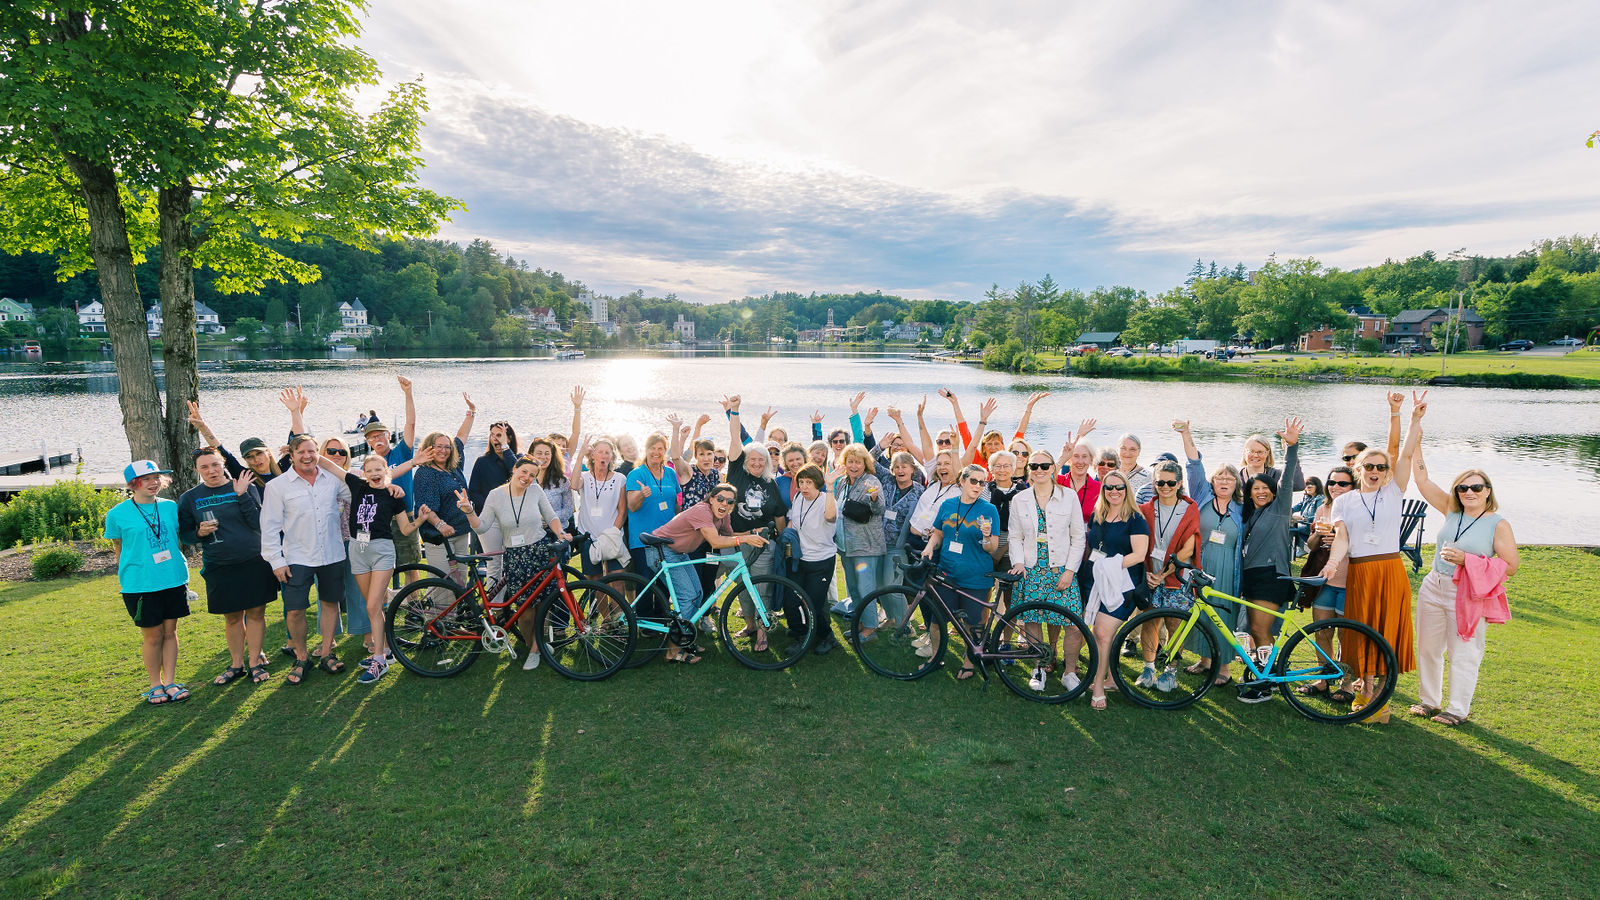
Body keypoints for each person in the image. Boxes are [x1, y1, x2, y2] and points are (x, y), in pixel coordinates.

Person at [1407, 409, 1518, 726]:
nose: (1469, 492)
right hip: (1433, 585)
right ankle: (1429, 701)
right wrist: (1416, 436)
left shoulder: (1498, 524)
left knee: (1463, 652)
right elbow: (1422, 479)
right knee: (1428, 648)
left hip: (1466, 592)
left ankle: (1457, 709)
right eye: (1463, 488)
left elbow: (1510, 565)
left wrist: (1467, 561)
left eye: (1476, 488)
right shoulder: (1450, 510)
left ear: (1488, 491)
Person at [1320, 392, 1422, 724]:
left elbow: (1403, 453)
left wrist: (1408, 417)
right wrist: (1334, 562)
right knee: (1361, 631)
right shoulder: (1344, 502)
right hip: (1361, 573)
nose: (1375, 470)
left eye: (1381, 467)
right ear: (1358, 468)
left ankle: (1380, 697)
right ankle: (1363, 689)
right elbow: (1343, 539)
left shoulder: (1394, 491)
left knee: (1387, 630)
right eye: (1369, 466)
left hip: (1390, 570)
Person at [313, 448, 421, 684]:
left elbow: (405, 530)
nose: (374, 473)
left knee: (373, 605)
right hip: (357, 550)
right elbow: (329, 465)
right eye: (369, 470)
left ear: (386, 472)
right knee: (373, 606)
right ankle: (387, 652)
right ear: (363, 473)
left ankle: (379, 660)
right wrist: (306, 447)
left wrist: (420, 519)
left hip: (381, 550)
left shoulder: (394, 496)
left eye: (378, 470)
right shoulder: (357, 486)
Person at [177, 448, 279, 687]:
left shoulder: (244, 486)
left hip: (253, 560)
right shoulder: (190, 498)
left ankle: (255, 661)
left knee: (255, 613)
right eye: (204, 467)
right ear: (197, 470)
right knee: (232, 617)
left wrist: (242, 494)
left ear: (222, 463)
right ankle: (236, 664)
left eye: (215, 465)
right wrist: (199, 533)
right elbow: (186, 535)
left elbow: (258, 523)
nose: (211, 471)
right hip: (219, 565)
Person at [461, 455, 572, 671]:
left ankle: (535, 649)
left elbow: (550, 516)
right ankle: (534, 644)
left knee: (543, 604)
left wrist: (560, 532)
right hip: (515, 557)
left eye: (532, 475)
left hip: (539, 551)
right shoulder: (495, 496)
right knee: (525, 609)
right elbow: (481, 527)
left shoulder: (536, 490)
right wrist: (468, 511)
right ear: (515, 469)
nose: (527, 478)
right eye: (524, 472)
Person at [260, 434, 351, 685]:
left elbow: (360, 490)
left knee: (330, 603)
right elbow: (269, 527)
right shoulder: (277, 487)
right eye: (301, 452)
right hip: (297, 557)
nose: (308, 456)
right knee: (295, 609)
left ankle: (327, 652)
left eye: (312, 451)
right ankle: (301, 657)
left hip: (332, 553)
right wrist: (276, 561)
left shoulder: (333, 480)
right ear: (291, 455)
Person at [645, 485, 766, 663]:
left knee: (698, 594)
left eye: (730, 501)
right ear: (711, 499)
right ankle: (673, 651)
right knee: (688, 596)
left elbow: (730, 537)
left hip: (679, 553)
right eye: (720, 499)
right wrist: (746, 538)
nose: (725, 503)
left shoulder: (723, 516)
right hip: (662, 550)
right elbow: (716, 541)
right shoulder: (702, 511)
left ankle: (685, 640)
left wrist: (753, 533)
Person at [106, 460, 193, 705]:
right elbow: (118, 547)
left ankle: (171, 682)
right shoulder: (116, 514)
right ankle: (155, 684)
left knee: (170, 632)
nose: (154, 483)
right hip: (140, 584)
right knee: (152, 636)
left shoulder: (170, 507)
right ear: (134, 484)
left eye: (157, 478)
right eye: (147, 479)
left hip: (173, 578)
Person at [1233, 417, 1303, 703]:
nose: (1261, 492)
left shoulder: (1278, 509)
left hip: (1271, 575)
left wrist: (1292, 447)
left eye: (1265, 489)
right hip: (1253, 576)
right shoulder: (1252, 516)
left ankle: (1266, 683)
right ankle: (1264, 675)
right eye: (1255, 489)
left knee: (1261, 630)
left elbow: (1287, 479)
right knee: (1254, 629)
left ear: (1273, 492)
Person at [1008, 450, 1087, 692]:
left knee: (1073, 625)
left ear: (1054, 468)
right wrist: (1018, 563)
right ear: (1029, 468)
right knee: (1032, 621)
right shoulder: (1019, 499)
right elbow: (1014, 536)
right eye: (1034, 466)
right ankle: (1039, 669)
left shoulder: (1069, 497)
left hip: (1061, 570)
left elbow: (1078, 537)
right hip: (1031, 570)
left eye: (1044, 465)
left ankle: (1069, 672)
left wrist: (1071, 571)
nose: (1039, 470)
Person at [918, 464, 1000, 681]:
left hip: (975, 578)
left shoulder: (989, 510)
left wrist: (987, 536)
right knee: (937, 620)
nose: (978, 486)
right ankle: (935, 658)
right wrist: (928, 547)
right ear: (961, 481)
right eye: (973, 481)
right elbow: (937, 533)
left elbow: (992, 548)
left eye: (982, 483)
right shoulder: (947, 505)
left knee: (972, 623)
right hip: (946, 575)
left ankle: (969, 661)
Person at [1179, 420, 1245, 686]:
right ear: (1213, 481)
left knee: (1223, 612)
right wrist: (1186, 433)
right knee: (1200, 610)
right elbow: (1194, 463)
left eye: (1230, 478)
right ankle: (1205, 660)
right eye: (1220, 477)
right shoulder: (1202, 495)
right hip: (1201, 562)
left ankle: (1224, 666)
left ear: (1236, 484)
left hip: (1228, 566)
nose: (1225, 481)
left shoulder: (1242, 508)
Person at [1077, 470, 1150, 710]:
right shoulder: (1098, 514)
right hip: (1095, 580)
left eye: (1119, 487)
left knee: (1102, 633)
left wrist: (1111, 564)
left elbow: (1139, 555)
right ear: (1103, 490)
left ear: (1127, 489)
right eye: (1109, 487)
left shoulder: (1136, 518)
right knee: (1098, 634)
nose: (1114, 492)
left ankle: (1097, 687)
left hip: (1122, 584)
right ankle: (1109, 680)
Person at [724, 396, 789, 650]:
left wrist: (781, 540)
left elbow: (779, 516)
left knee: (761, 587)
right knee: (741, 585)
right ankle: (750, 624)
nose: (757, 462)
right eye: (753, 459)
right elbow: (734, 438)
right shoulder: (736, 472)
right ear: (745, 460)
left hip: (763, 543)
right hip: (735, 540)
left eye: (762, 460)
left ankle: (763, 632)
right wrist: (735, 411)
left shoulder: (770, 483)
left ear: (768, 463)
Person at [1135, 457, 1201, 693]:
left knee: (1175, 624)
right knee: (1149, 622)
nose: (1165, 487)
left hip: (1176, 578)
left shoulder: (1189, 508)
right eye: (1160, 482)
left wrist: (1162, 575)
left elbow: (1189, 548)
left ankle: (1170, 671)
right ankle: (1149, 667)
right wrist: (1148, 574)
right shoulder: (1144, 509)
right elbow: (1138, 543)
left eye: (1171, 483)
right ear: (1154, 482)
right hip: (1149, 575)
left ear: (1180, 483)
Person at [1300, 465, 1356, 698]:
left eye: (1343, 483)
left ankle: (1347, 684)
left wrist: (1342, 539)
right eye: (1332, 483)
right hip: (1325, 581)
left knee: (1346, 635)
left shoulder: (1360, 510)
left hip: (1350, 582)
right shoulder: (1323, 508)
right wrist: (1318, 534)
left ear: (1353, 486)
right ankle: (1323, 678)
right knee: (1322, 631)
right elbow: (1310, 547)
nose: (1336, 487)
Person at [362, 376, 420, 585]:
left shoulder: (402, 453)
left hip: (406, 515)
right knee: (380, 567)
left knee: (410, 566)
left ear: (388, 435)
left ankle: (413, 608)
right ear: (367, 441)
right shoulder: (368, 465)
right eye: (371, 437)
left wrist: (408, 393)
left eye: (380, 435)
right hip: (380, 520)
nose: (376, 439)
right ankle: (384, 605)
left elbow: (411, 424)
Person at [412, 395, 476, 584]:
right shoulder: (425, 473)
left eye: (446, 447)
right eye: (438, 447)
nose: (443, 450)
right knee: (443, 584)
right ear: (429, 448)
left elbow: (461, 438)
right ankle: (438, 614)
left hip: (461, 531)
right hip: (440, 536)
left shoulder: (453, 467)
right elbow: (425, 506)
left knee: (460, 581)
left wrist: (471, 412)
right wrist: (441, 525)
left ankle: (456, 614)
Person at [829, 441, 888, 638]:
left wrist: (874, 498)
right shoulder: (844, 482)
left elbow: (879, 509)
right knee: (853, 588)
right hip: (846, 546)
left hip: (866, 547)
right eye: (850, 461)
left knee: (865, 588)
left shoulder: (871, 481)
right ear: (844, 462)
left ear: (866, 464)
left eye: (859, 462)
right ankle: (861, 623)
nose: (854, 466)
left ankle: (870, 628)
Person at [786, 464, 838, 655]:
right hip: (800, 559)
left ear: (818, 483)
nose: (805, 487)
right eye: (801, 482)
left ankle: (827, 636)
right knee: (792, 600)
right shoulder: (799, 497)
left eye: (809, 482)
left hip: (821, 561)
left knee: (814, 604)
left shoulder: (827, 499)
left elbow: (831, 517)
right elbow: (794, 520)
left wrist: (830, 487)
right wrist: (788, 533)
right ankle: (802, 635)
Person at [625, 432, 682, 576]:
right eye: (652, 448)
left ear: (665, 451)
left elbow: (676, 505)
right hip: (644, 541)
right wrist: (641, 494)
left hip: (667, 540)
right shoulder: (637, 474)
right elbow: (631, 506)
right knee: (646, 586)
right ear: (646, 449)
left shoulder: (670, 473)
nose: (656, 452)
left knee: (665, 589)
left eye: (660, 448)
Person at [572, 436, 628, 576]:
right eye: (600, 452)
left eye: (607, 452)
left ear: (612, 457)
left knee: (617, 578)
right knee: (595, 581)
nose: (603, 455)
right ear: (592, 456)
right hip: (589, 537)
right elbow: (573, 485)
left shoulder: (619, 479)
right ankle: (599, 600)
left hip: (612, 537)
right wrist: (580, 455)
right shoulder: (584, 477)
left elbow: (622, 511)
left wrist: (613, 533)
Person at [1240, 431, 1306, 491]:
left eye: (1260, 452)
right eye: (1251, 451)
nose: (1255, 455)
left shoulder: (1277, 476)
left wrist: (1290, 452)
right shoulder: (1235, 478)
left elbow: (1299, 485)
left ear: (1267, 453)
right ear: (1245, 452)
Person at [1116, 433, 1154, 505]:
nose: (1127, 453)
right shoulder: (1111, 473)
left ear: (1139, 451)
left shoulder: (1148, 477)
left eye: (1132, 449)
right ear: (1117, 450)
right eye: (1123, 448)